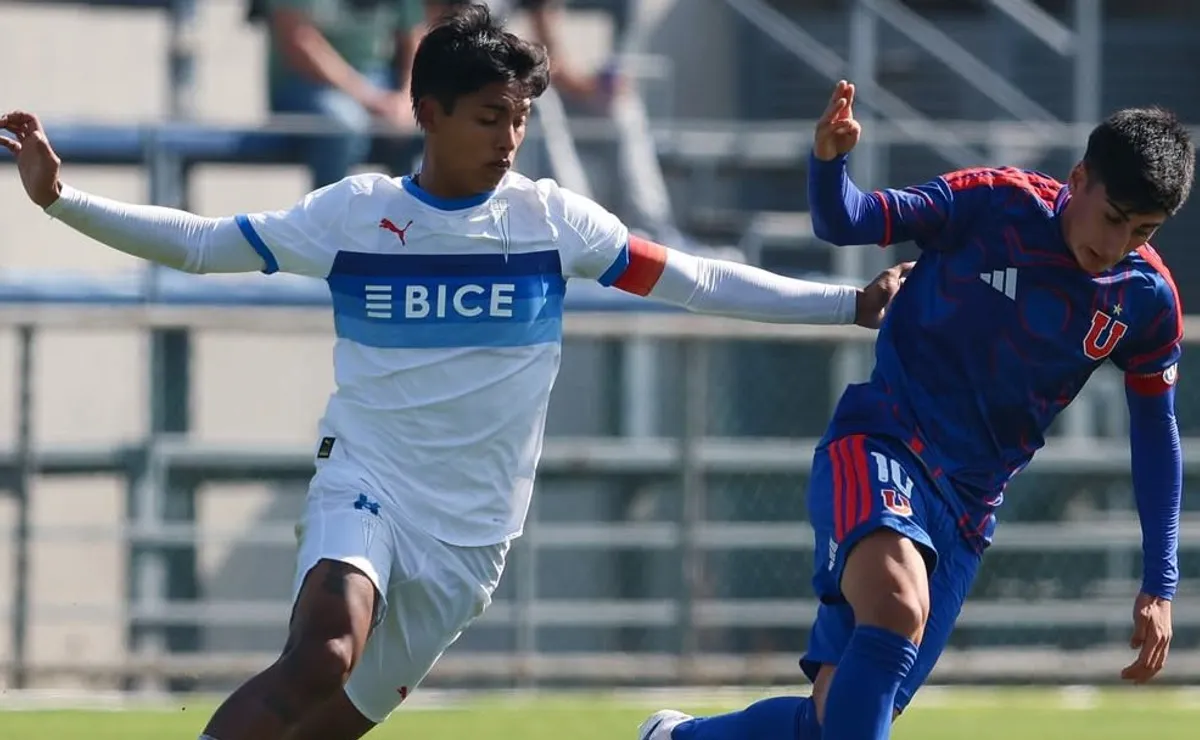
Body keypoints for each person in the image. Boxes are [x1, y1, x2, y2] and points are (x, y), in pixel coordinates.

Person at [1, 10, 910, 738]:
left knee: (327, 722)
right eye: (489, 117)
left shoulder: (554, 224)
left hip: (471, 537)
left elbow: (696, 280)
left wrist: (844, 305)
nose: (511, 137)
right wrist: (60, 199)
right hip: (367, 484)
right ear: (428, 113)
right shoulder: (355, 214)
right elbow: (204, 246)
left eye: (520, 116)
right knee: (320, 655)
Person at [639, 80, 1191, 740]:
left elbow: (1154, 434)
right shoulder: (994, 203)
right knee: (899, 608)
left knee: (835, 714)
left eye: (1144, 231)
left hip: (967, 508)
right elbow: (848, 221)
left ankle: (678, 738)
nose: (1119, 243)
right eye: (1113, 218)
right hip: (885, 442)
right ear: (1079, 179)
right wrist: (829, 163)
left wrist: (1160, 580)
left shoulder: (1148, 299)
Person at [261, 0, 427, 189]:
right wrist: (369, 98)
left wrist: (408, 97)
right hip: (307, 84)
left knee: (432, 116)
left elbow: (413, 33)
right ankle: (329, 217)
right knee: (343, 125)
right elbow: (297, 38)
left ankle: (413, 215)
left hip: (380, 79)